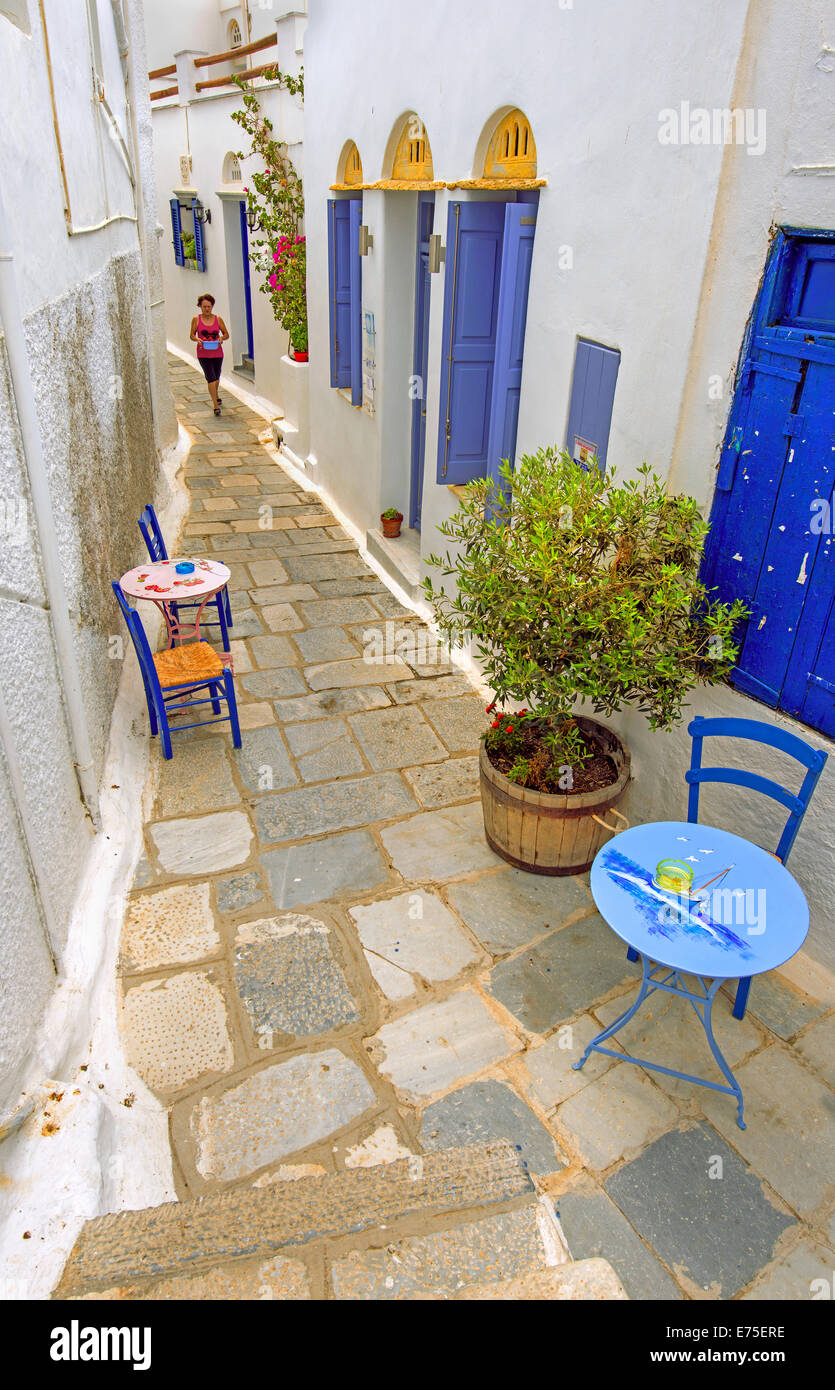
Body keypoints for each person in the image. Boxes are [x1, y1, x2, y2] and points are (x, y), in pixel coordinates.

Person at [190, 294, 229, 415]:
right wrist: (198, 340)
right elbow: (191, 335)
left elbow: (226, 334)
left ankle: (215, 394)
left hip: (217, 352)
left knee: (217, 378)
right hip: (203, 353)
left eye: (209, 306)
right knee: (211, 378)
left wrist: (221, 338)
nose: (207, 309)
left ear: (212, 306)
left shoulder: (218, 319)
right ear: (200, 307)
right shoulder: (196, 319)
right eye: (204, 306)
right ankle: (216, 405)